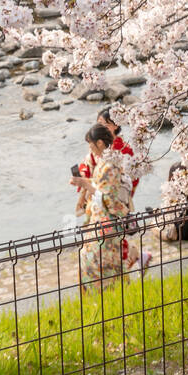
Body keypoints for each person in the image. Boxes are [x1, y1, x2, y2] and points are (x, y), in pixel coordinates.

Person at [73, 124, 150, 289]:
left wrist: (85, 185)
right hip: (100, 221)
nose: (89, 148)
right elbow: (101, 190)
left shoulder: (109, 166)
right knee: (98, 262)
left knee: (100, 263)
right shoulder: (105, 162)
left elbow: (108, 199)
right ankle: (112, 295)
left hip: (106, 224)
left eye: (91, 143)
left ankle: (110, 297)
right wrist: (85, 188)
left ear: (100, 143)